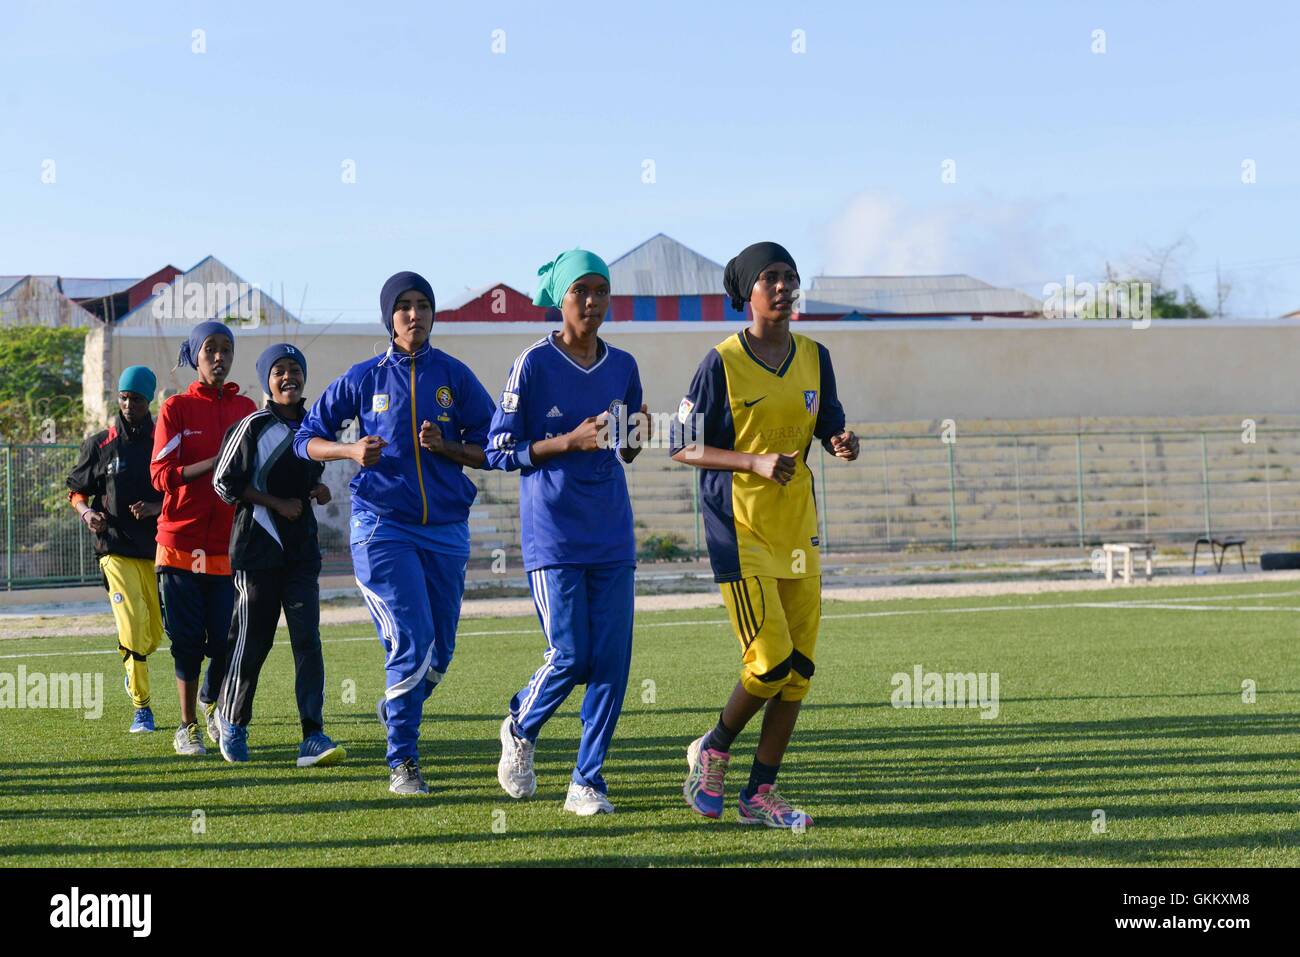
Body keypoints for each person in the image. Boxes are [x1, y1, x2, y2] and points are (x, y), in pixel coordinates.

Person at [670, 241, 860, 827]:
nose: (783, 287)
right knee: (770, 663)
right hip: (741, 528)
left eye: (790, 277)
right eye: (771, 278)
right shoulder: (720, 362)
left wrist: (843, 443)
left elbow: (829, 427)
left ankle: (759, 794)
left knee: (799, 672)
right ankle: (714, 748)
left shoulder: (815, 356)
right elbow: (680, 445)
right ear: (747, 293)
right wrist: (751, 462)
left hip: (799, 528)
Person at [294, 271, 495, 795]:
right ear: (390, 317)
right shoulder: (364, 378)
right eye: (403, 305)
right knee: (412, 640)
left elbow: (493, 448)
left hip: (447, 529)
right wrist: (350, 451)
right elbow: (305, 437)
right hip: (382, 526)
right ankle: (402, 760)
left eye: (422, 304)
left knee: (440, 653)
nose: (413, 314)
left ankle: (394, 706)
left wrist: (448, 447)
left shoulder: (455, 375)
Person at [486, 249, 647, 816]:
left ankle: (587, 780)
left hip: (611, 533)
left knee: (612, 661)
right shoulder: (531, 364)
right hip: (553, 533)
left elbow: (627, 449)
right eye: (582, 291)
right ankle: (521, 725)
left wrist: (637, 432)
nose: (594, 302)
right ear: (561, 298)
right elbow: (497, 449)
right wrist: (566, 442)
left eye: (602, 291)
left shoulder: (624, 365)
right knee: (571, 654)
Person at [211, 343, 345, 767]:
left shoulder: (315, 426)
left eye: (295, 369)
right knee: (253, 641)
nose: (289, 377)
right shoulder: (251, 426)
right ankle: (231, 719)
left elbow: (308, 476)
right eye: (279, 371)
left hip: (302, 554)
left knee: (308, 642)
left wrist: (315, 491)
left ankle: (313, 734)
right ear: (267, 381)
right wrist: (274, 503)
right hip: (257, 552)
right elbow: (223, 482)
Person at [150, 321, 258, 756]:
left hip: (230, 549)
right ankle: (187, 727)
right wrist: (216, 463)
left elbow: (258, 468)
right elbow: (160, 475)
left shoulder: (248, 408)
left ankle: (212, 703)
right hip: (179, 547)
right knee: (188, 642)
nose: (219, 356)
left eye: (226, 349)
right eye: (210, 349)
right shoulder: (176, 408)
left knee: (229, 641)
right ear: (196, 356)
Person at [67, 366, 164, 734]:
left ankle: (130, 663)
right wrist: (88, 511)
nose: (128, 404)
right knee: (131, 624)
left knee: (153, 634)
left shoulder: (163, 442)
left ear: (149, 399)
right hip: (114, 547)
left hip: (156, 549)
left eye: (136, 398)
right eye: (123, 397)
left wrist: (157, 508)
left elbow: (180, 490)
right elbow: (76, 490)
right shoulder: (100, 444)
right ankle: (142, 707)